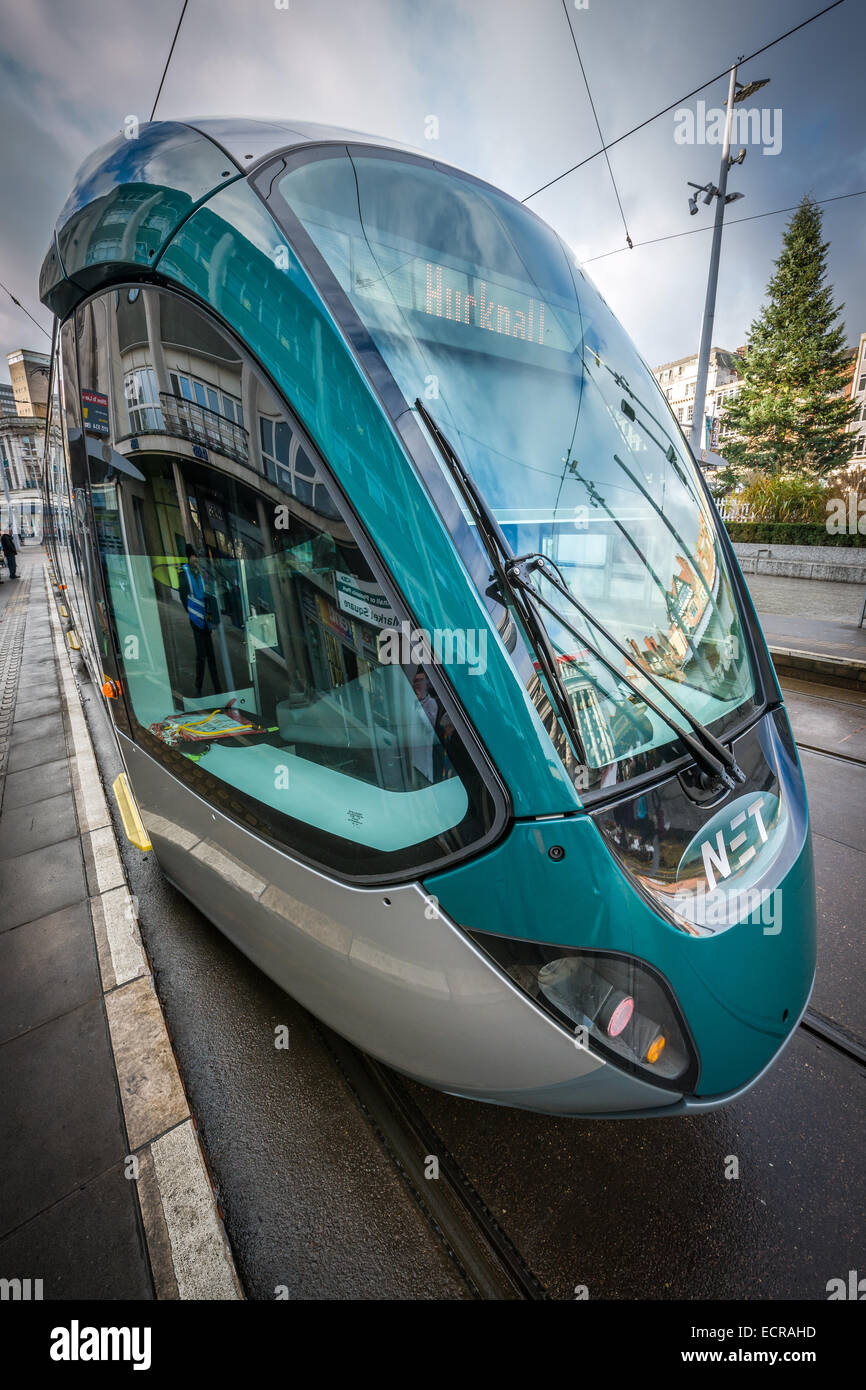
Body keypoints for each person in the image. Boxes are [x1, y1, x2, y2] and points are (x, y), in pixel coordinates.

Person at [178, 544, 219, 698]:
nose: (196, 560)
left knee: (211, 656)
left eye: (196, 557)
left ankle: (218, 688)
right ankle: (198, 688)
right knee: (201, 656)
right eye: (193, 557)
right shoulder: (184, 573)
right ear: (189, 558)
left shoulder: (201, 573)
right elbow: (183, 596)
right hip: (196, 620)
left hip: (205, 620)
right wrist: (192, 614)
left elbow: (207, 594)